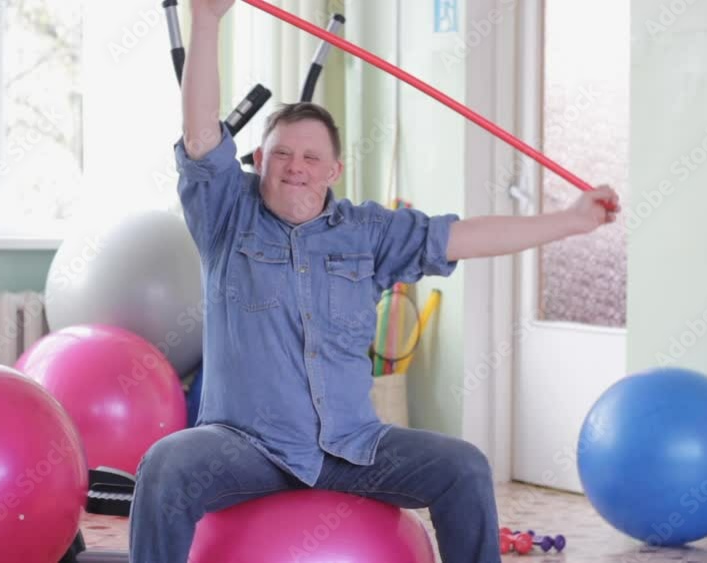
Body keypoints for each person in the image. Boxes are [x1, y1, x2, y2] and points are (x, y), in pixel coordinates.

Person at [128, 1, 621, 562]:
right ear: (258, 159)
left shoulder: (368, 232)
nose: (296, 166)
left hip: (354, 448)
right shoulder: (226, 215)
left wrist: (571, 221)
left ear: (334, 170)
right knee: (166, 465)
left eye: (312, 157)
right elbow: (199, 139)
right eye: (282, 153)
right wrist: (208, 22)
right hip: (244, 445)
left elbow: (463, 236)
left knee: (464, 467)